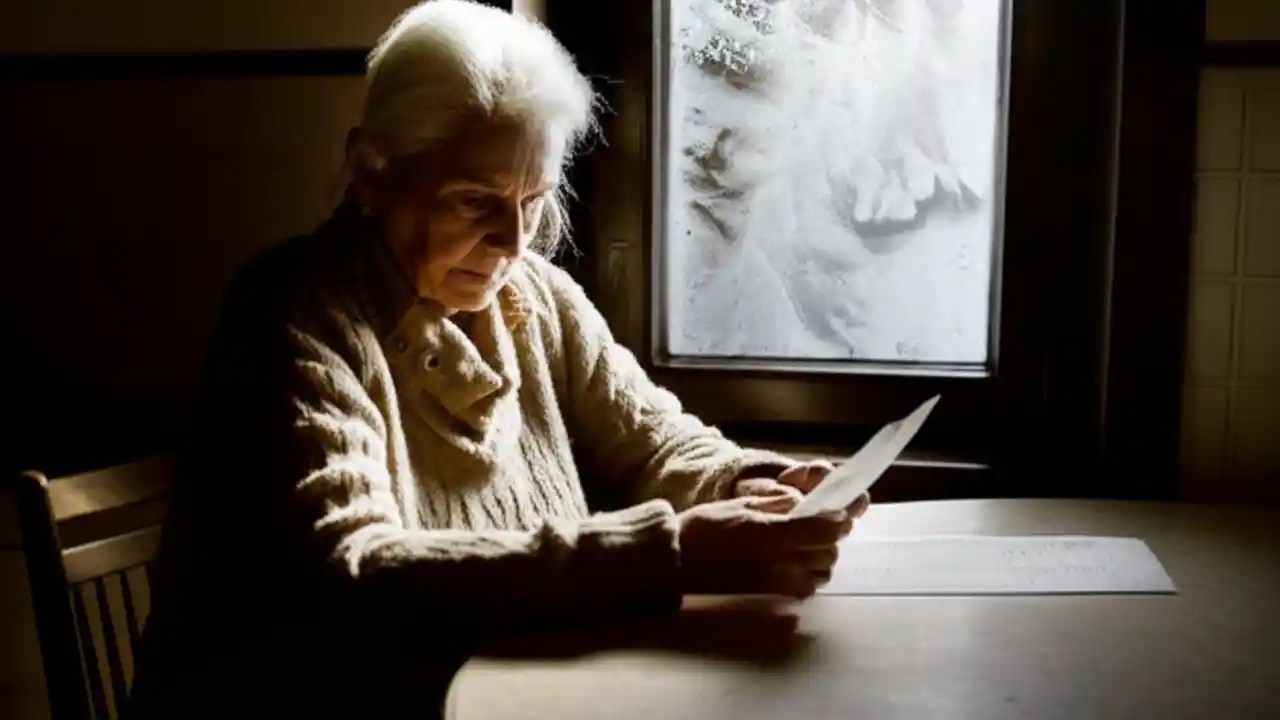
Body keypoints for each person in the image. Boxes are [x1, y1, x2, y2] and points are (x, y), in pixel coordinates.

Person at [128, 1, 869, 717]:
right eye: (474, 201)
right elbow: (355, 571)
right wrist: (671, 553)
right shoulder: (293, 312)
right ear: (371, 173)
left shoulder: (534, 297)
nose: (514, 243)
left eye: (535, 199)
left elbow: (653, 439)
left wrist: (750, 479)